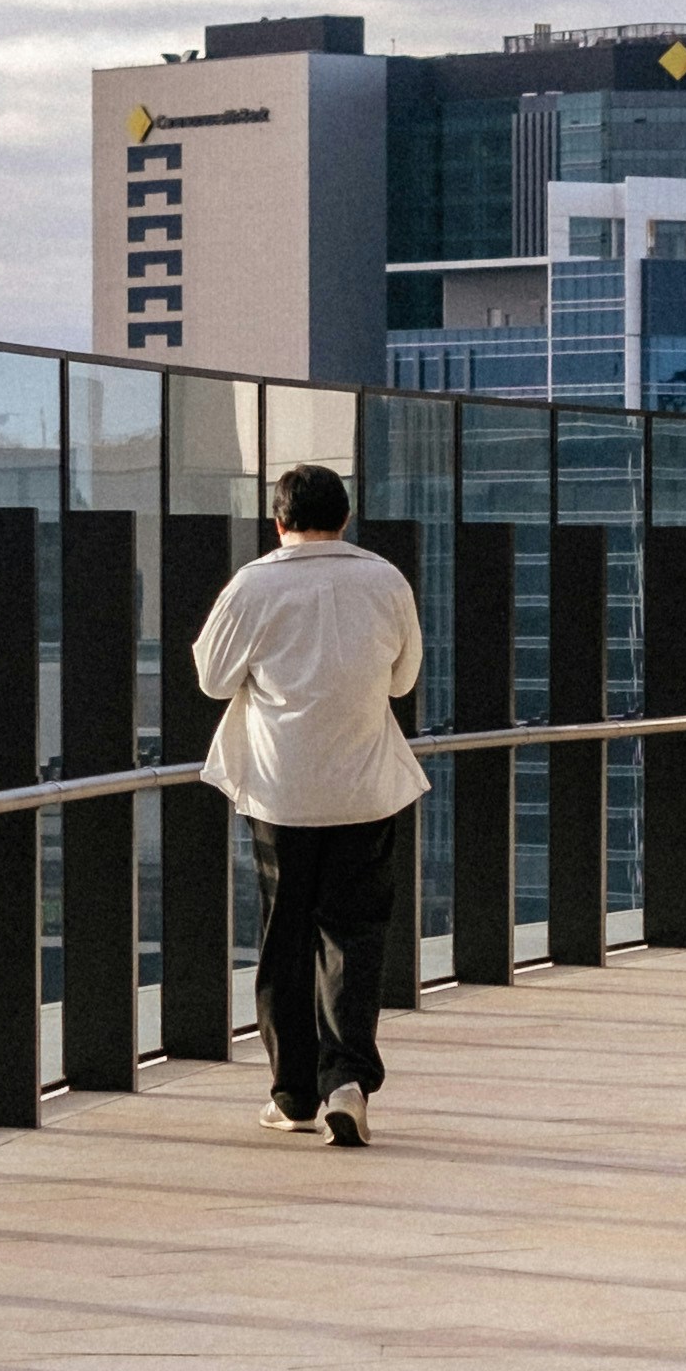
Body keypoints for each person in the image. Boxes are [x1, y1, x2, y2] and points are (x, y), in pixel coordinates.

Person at [192, 461, 424, 1148]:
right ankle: (346, 1081)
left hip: (278, 790)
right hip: (363, 787)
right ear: (346, 518)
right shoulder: (384, 580)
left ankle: (292, 1094)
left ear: (278, 520)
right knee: (354, 934)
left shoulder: (253, 584)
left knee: (284, 938)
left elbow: (211, 680)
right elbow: (403, 677)